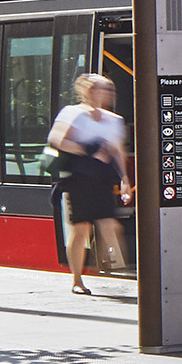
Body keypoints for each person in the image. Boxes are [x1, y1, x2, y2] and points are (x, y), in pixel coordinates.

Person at [50, 74, 132, 292]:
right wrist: (89, 149)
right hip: (79, 179)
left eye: (109, 89)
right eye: (102, 89)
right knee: (81, 229)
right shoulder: (72, 113)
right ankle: (77, 280)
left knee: (110, 224)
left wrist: (125, 179)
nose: (107, 94)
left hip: (102, 179)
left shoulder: (114, 119)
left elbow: (118, 151)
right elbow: (56, 140)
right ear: (88, 90)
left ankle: (122, 273)